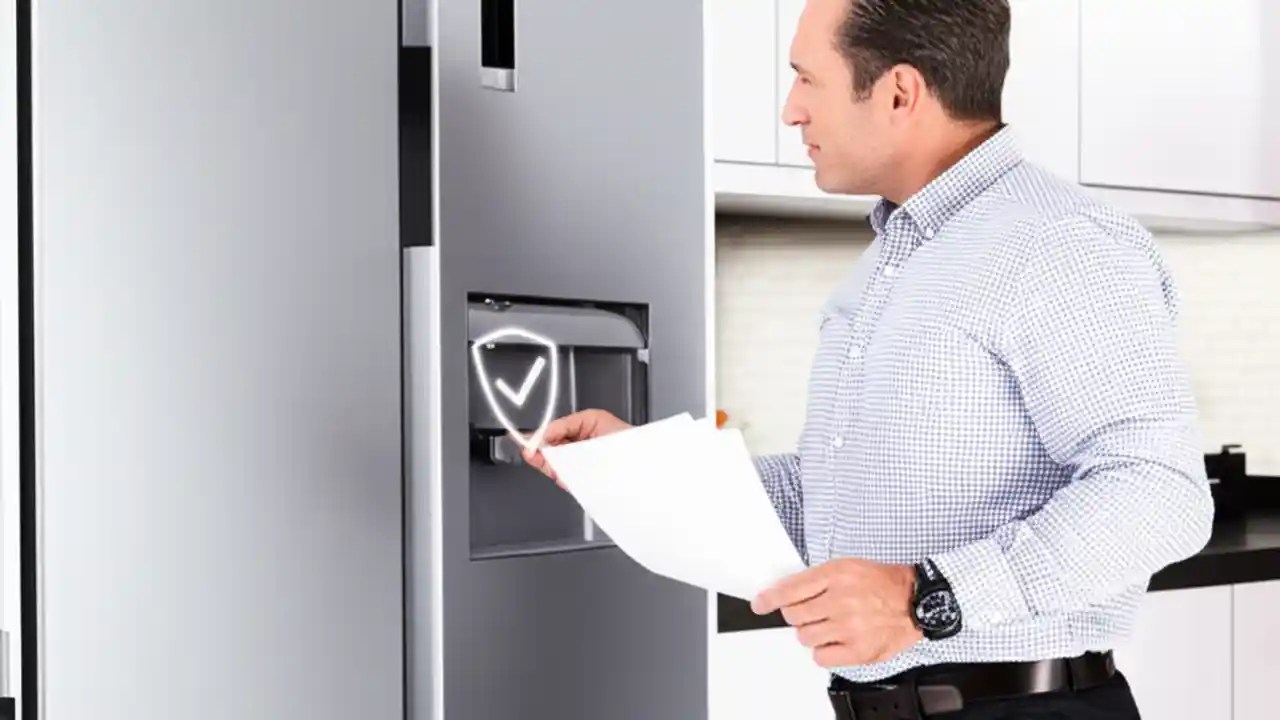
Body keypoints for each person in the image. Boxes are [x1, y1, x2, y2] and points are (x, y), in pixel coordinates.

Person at [522, 0, 1215, 717]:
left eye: (806, 80)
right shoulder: (896, 258)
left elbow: (1160, 493)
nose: (792, 112)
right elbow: (830, 497)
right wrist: (646, 473)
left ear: (898, 92)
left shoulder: (1056, 242)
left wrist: (927, 597)